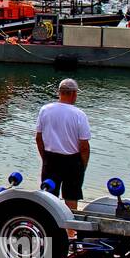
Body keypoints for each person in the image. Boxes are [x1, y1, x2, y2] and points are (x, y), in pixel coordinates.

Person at [35, 78, 91, 211]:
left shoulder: (45, 110)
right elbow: (84, 146)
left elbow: (38, 138)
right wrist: (83, 165)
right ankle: (70, 231)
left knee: (48, 196)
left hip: (50, 158)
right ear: (73, 94)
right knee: (71, 197)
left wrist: (45, 158)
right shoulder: (79, 114)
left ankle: (49, 228)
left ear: (59, 92)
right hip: (72, 160)